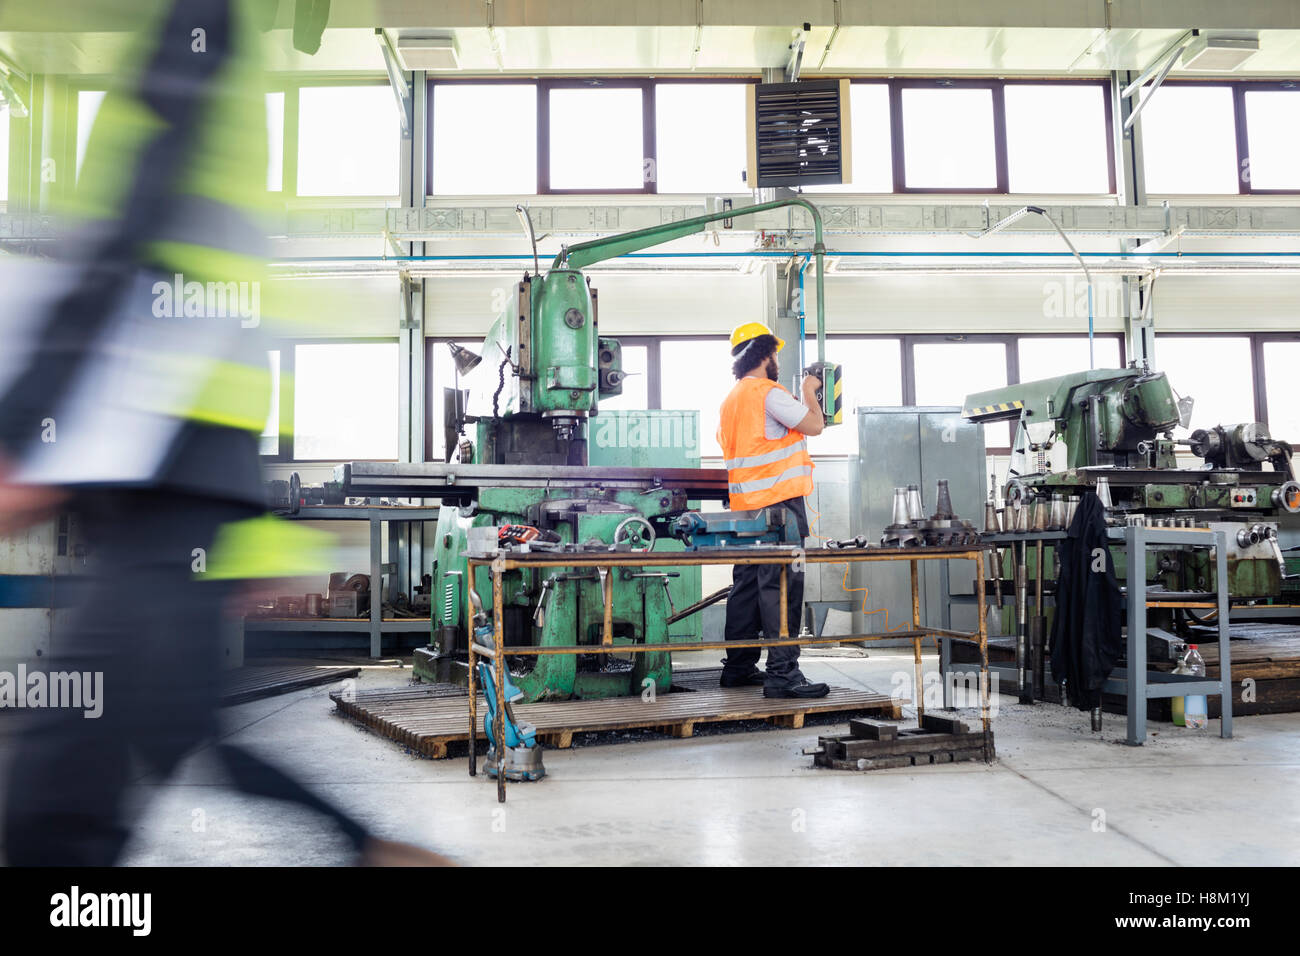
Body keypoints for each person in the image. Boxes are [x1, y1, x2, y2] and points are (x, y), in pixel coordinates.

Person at [0, 0, 448, 866]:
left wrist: (25, 432)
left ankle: (375, 852)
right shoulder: (221, 105)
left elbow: (118, 272)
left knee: (59, 780)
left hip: (159, 499)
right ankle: (374, 851)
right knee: (167, 738)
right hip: (179, 500)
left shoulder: (177, 87)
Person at [716, 323, 830, 699]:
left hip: (745, 510)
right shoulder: (769, 393)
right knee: (783, 584)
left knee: (746, 586)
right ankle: (783, 674)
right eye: (775, 354)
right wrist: (809, 392)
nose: (777, 361)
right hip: (780, 509)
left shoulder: (731, 400)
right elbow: (814, 425)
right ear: (764, 354)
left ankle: (738, 668)